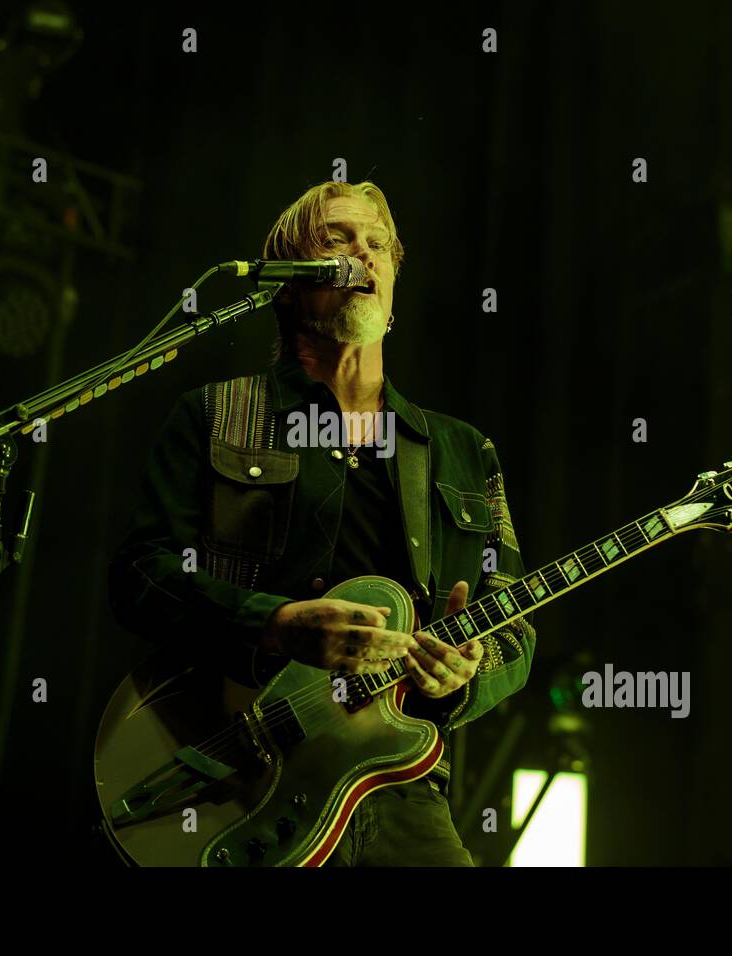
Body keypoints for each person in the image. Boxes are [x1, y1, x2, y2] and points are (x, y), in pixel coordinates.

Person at [109, 180, 536, 866]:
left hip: (402, 788)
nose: (361, 255)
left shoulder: (463, 451)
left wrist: (467, 675)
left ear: (395, 276)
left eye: (377, 244)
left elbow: (513, 628)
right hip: (235, 773)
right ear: (286, 283)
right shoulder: (214, 416)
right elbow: (139, 577)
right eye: (336, 240)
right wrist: (274, 625)